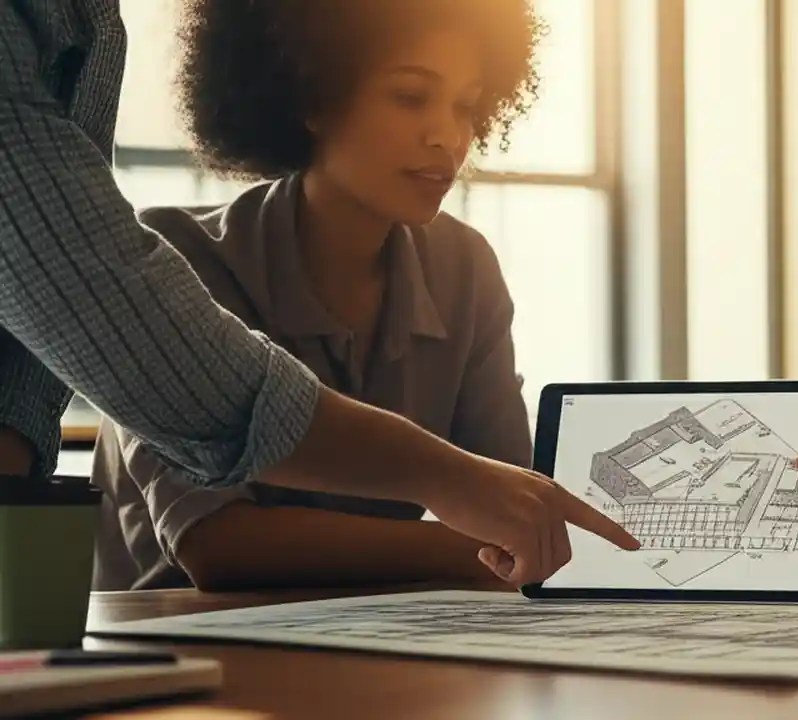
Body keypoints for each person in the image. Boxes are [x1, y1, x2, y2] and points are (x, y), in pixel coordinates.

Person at [0, 0, 638, 588]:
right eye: (411, 97)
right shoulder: (179, 254)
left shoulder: (464, 268)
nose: (449, 136)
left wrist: (523, 537)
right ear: (314, 96)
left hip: (392, 652)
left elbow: (514, 505)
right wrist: (508, 552)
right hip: (181, 664)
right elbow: (220, 547)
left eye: (467, 106)